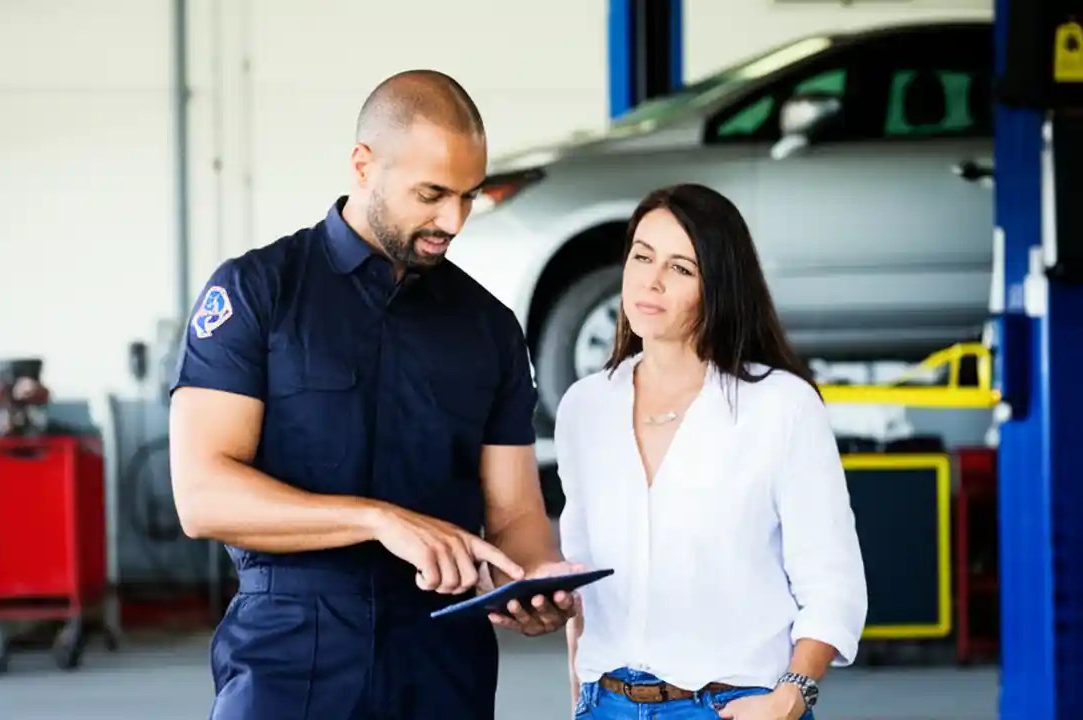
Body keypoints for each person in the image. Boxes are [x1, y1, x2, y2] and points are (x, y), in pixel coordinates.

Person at [168, 69, 580, 720]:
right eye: (432, 194)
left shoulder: (489, 328)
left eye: (470, 197)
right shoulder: (259, 292)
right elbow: (202, 496)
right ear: (364, 165)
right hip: (289, 643)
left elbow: (516, 518)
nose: (454, 220)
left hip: (443, 651)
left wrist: (533, 583)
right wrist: (379, 520)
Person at [555, 184, 868, 720]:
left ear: (718, 286)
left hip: (734, 704)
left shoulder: (781, 406)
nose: (651, 281)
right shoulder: (585, 406)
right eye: (641, 256)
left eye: (681, 268)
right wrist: (579, 695)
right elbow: (583, 582)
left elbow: (833, 583)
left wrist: (792, 696)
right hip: (605, 701)